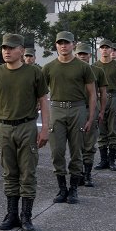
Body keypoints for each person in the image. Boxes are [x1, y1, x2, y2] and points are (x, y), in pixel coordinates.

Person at [0, 33, 50, 231]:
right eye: (4, 47)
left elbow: (43, 100)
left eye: (11, 48)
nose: (6, 51)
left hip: (26, 127)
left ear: (22, 50)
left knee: (28, 173)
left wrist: (45, 128)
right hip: (4, 128)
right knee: (9, 173)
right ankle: (12, 214)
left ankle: (26, 216)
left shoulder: (34, 73)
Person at [42, 31, 96, 204]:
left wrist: (90, 118)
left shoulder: (83, 67)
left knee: (76, 151)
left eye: (67, 43)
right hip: (56, 109)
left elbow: (92, 94)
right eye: (60, 43)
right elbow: (41, 94)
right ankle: (62, 188)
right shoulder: (49, 67)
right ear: (56, 45)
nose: (63, 46)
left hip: (78, 109)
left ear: (73, 44)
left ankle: (73, 189)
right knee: (56, 152)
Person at [75, 43, 108, 188]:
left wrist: (101, 111)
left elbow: (103, 93)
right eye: (80, 53)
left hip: (91, 110)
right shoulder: (71, 70)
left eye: (85, 54)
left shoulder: (98, 71)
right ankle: (78, 173)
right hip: (75, 110)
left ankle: (87, 175)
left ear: (90, 55)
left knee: (89, 144)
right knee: (76, 145)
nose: (82, 56)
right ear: (76, 54)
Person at [93, 40, 116, 171]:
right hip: (99, 99)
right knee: (101, 130)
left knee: (113, 130)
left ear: (111, 50)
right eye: (102, 47)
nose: (105, 50)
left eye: (107, 48)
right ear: (99, 50)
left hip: (114, 98)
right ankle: (103, 160)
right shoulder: (94, 66)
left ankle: (112, 160)